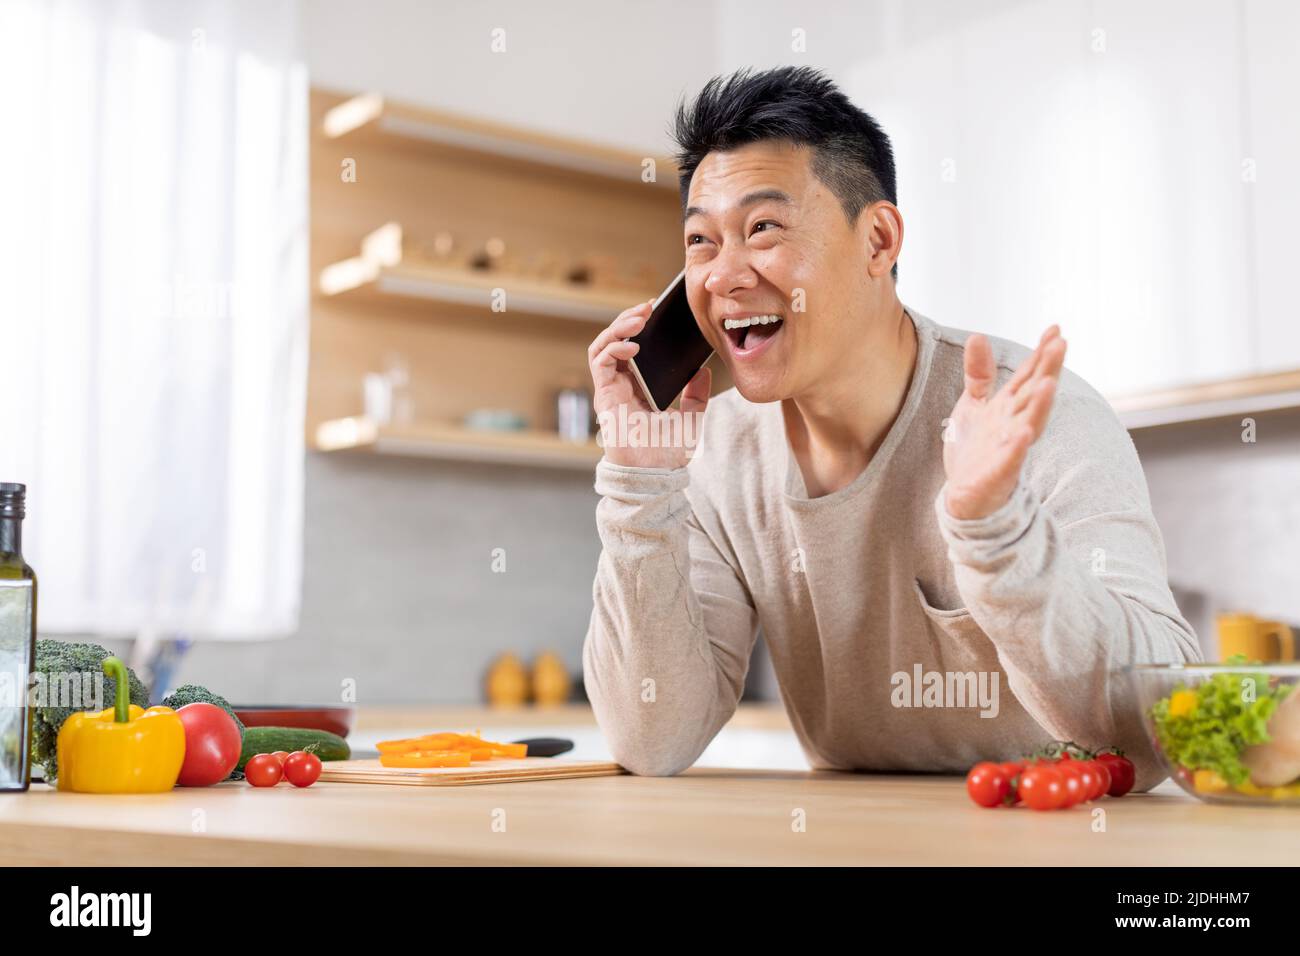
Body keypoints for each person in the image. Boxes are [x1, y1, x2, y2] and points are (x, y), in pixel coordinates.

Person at [582, 66, 1199, 791]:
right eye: (701, 243)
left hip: (1054, 834)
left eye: (762, 228)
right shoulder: (716, 452)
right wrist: (638, 480)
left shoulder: (1037, 417)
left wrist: (995, 531)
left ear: (878, 240)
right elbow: (654, 739)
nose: (723, 276)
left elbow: (1155, 736)